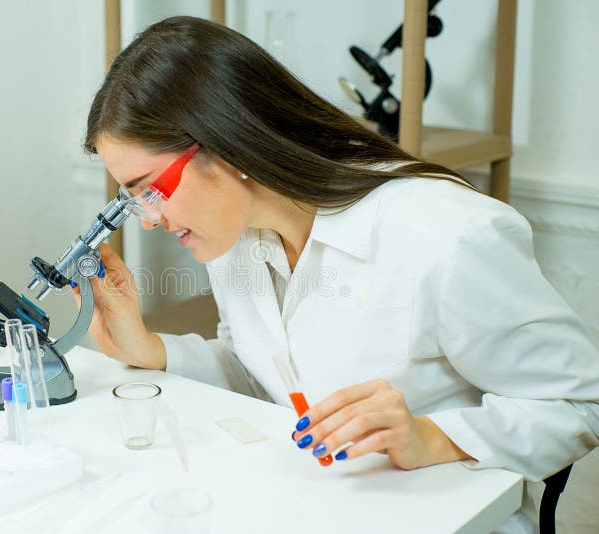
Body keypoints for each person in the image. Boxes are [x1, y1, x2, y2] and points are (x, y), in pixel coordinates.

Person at [75, 16, 599, 533]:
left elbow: (580, 404)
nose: (151, 217)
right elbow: (265, 376)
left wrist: (429, 436)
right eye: (133, 199)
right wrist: (146, 350)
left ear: (226, 145)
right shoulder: (237, 240)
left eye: (149, 189)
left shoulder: (445, 235)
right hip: (318, 504)